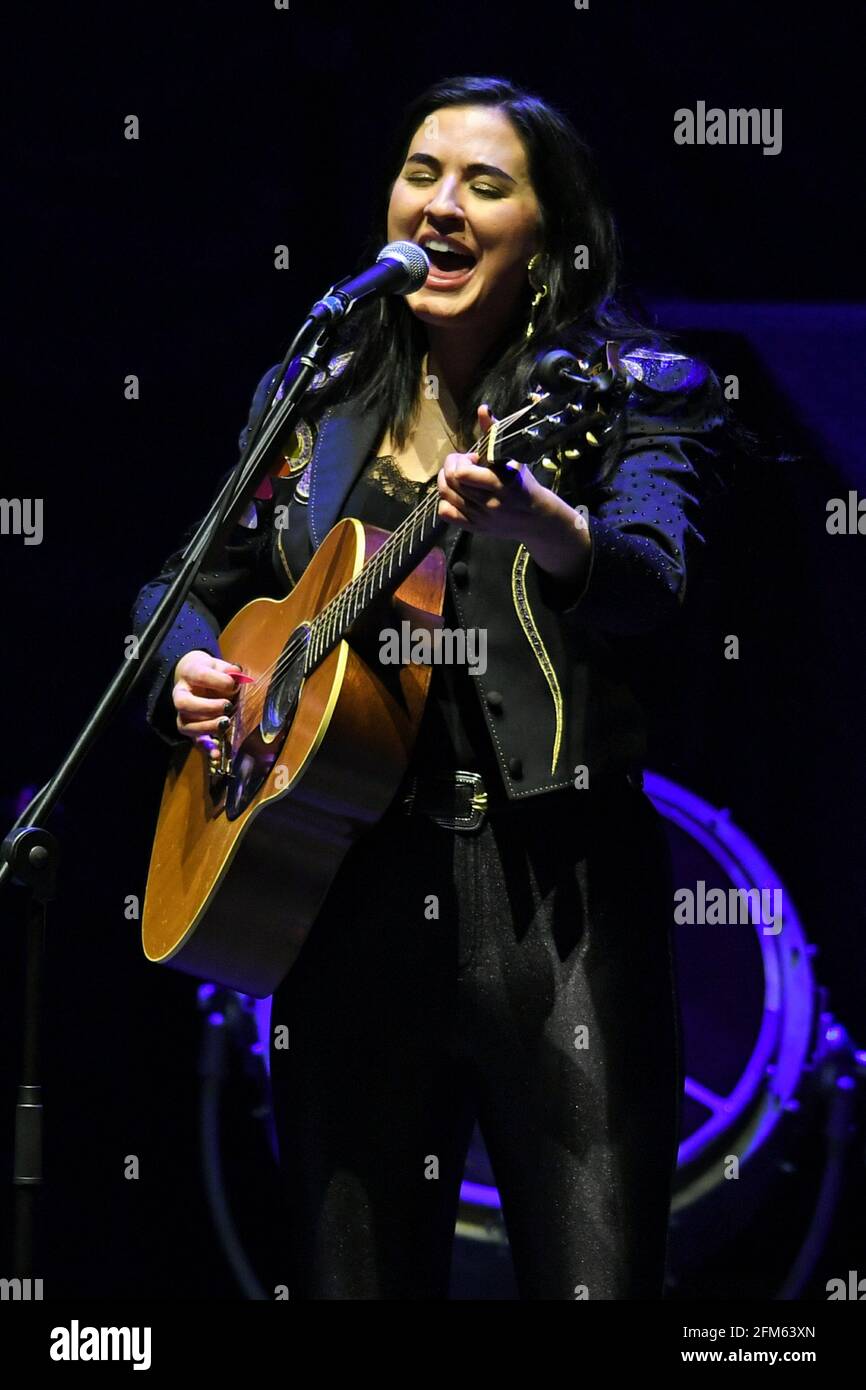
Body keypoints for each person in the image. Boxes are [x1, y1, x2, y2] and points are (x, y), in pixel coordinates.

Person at [132, 74, 730, 1300]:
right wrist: (187, 664)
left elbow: (654, 581)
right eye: (420, 174)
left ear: (549, 239)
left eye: (485, 184)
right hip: (339, 900)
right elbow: (180, 585)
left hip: (553, 907)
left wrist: (552, 532)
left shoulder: (623, 388)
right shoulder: (314, 396)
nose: (441, 206)